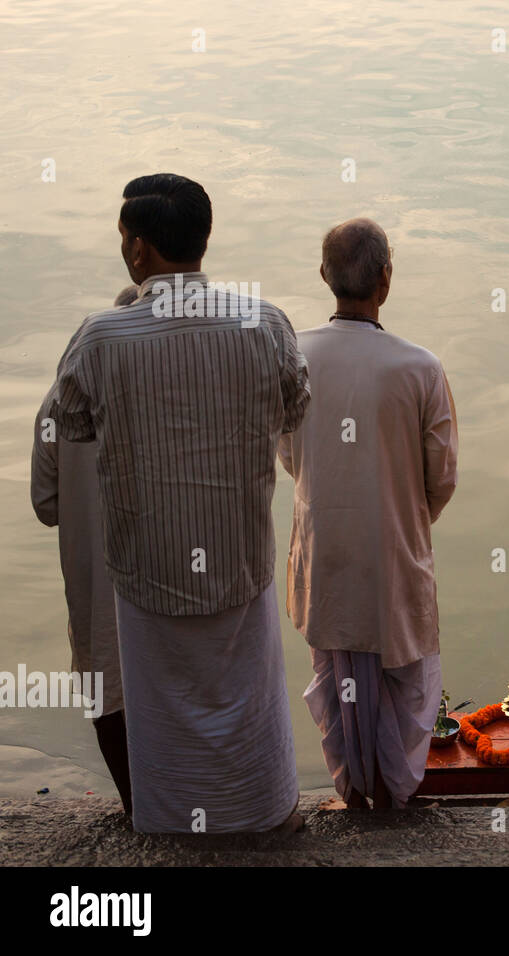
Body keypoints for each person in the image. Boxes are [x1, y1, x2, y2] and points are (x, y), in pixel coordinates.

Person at [46, 173, 310, 832]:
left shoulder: (101, 336)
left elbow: (72, 425)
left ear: (138, 251)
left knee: (162, 709)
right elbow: (297, 407)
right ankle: (263, 810)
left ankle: (167, 825)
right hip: (237, 553)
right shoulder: (264, 320)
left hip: (147, 563)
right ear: (202, 239)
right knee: (246, 698)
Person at [279, 219, 458, 809]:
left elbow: (288, 454)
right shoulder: (419, 367)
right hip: (394, 547)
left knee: (339, 676)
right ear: (386, 278)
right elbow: (443, 477)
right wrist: (402, 514)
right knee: (405, 676)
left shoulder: (292, 355)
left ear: (324, 275)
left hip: (323, 540)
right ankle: (393, 792)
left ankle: (355, 790)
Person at [29, 285, 140, 816]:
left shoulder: (58, 398)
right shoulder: (162, 388)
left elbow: (46, 503)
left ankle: (134, 806)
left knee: (105, 681)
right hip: (162, 573)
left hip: (94, 578)